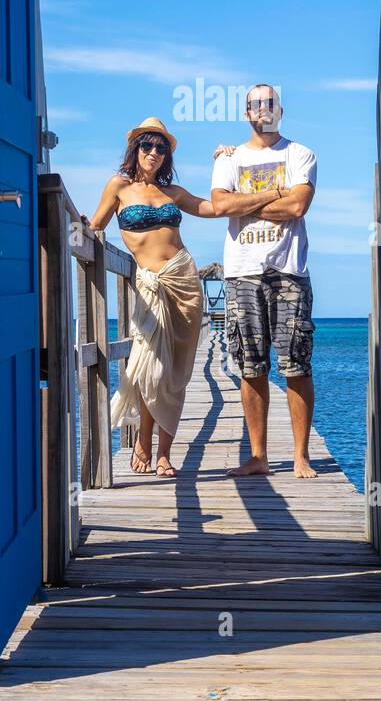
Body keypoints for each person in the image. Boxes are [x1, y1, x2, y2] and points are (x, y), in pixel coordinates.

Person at [88, 118, 218, 478]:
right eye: (148, 146)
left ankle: (163, 453)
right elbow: (95, 225)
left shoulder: (172, 193)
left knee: (175, 375)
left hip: (183, 281)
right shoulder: (119, 186)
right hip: (149, 286)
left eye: (161, 148)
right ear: (135, 150)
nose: (154, 153)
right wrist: (77, 227)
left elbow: (212, 207)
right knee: (150, 369)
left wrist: (226, 165)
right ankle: (142, 441)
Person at [210, 85, 318, 478]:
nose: (263, 109)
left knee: (296, 364)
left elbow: (298, 205)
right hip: (242, 272)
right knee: (250, 366)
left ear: (280, 111)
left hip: (288, 272)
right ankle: (259, 456)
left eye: (269, 103)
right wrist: (275, 192)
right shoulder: (230, 157)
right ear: (246, 113)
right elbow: (221, 205)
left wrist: (248, 201)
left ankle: (301, 455)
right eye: (255, 104)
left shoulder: (300, 154)